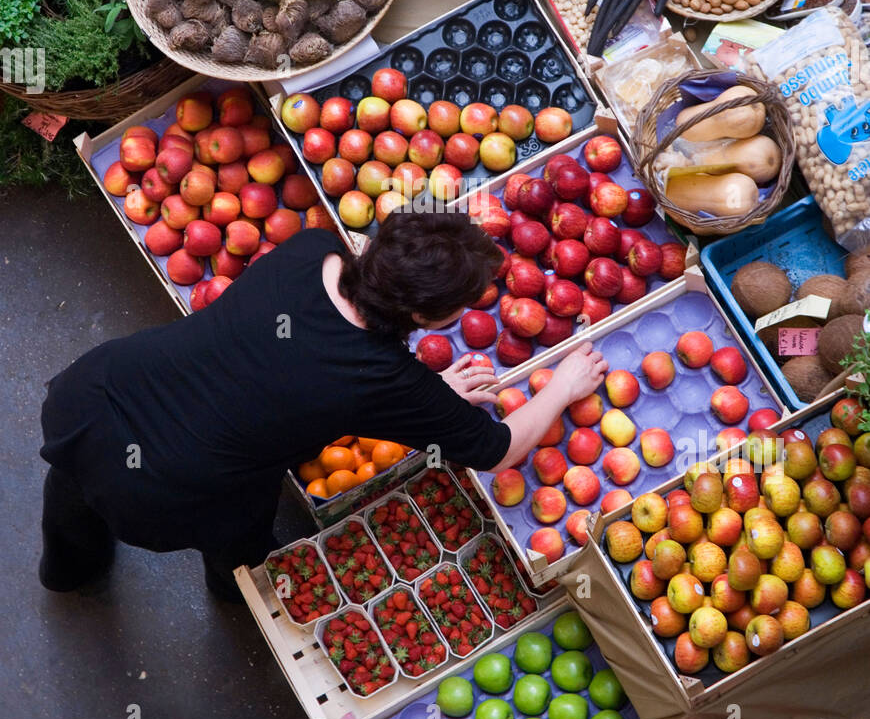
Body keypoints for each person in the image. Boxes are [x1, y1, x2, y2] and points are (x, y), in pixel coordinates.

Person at [39, 211, 606, 600]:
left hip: (97, 395)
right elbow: (496, 449)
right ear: (425, 319)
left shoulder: (312, 251)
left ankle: (65, 570)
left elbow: (304, 364)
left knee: (75, 477)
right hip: (171, 484)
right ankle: (238, 594)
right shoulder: (382, 376)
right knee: (238, 542)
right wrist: (563, 387)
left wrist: (431, 400)